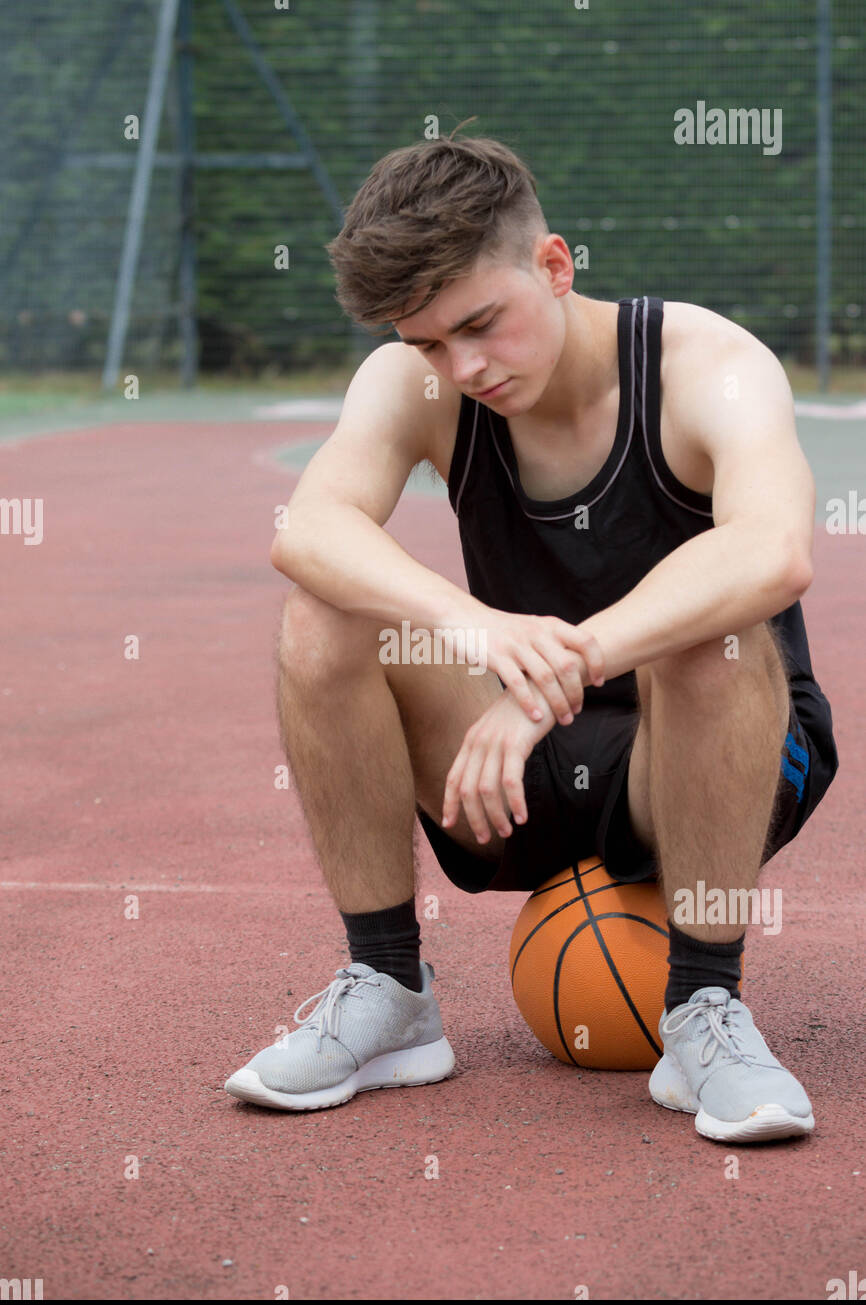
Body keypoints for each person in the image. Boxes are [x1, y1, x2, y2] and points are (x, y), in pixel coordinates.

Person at [224, 129, 838, 1142]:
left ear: (552, 266)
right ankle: (387, 988)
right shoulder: (416, 382)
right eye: (424, 341)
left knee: (713, 636)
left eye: (480, 324)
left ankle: (702, 1007)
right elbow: (310, 529)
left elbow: (771, 551)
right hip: (523, 764)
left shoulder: (702, 362)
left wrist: (558, 670)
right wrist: (471, 627)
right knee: (326, 609)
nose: (460, 366)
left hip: (717, 748)